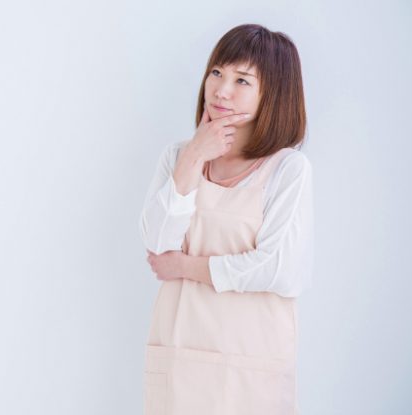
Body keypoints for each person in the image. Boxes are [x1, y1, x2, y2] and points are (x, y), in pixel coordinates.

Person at [139, 23, 314, 414]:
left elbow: (279, 269)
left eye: (242, 80)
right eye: (216, 72)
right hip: (179, 351)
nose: (221, 90)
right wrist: (194, 156)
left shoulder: (287, 169)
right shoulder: (177, 156)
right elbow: (157, 241)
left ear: (274, 94)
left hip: (250, 361)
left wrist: (185, 266)